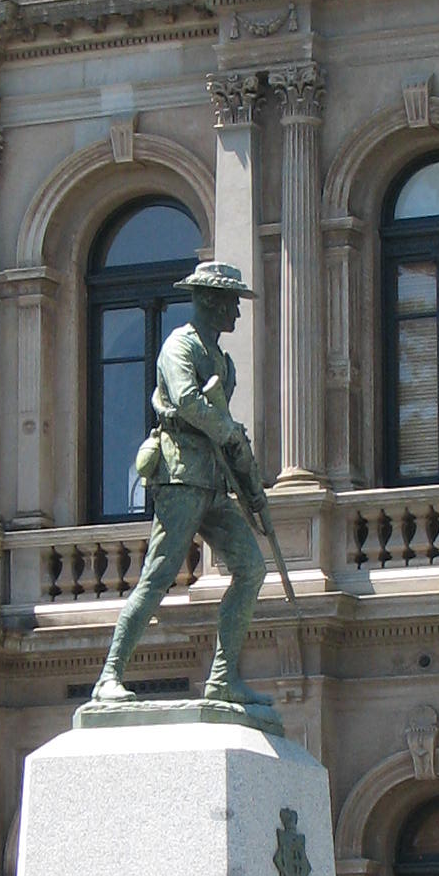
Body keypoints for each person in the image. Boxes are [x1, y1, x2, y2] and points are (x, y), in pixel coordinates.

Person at [89, 260, 271, 718]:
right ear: (210, 300)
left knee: (251, 568)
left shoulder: (224, 363)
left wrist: (254, 494)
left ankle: (223, 677)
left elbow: (227, 432)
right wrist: (227, 431)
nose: (237, 313)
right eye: (231, 302)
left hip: (213, 480)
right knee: (159, 575)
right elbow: (189, 403)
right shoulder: (179, 347)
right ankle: (110, 675)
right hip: (179, 474)